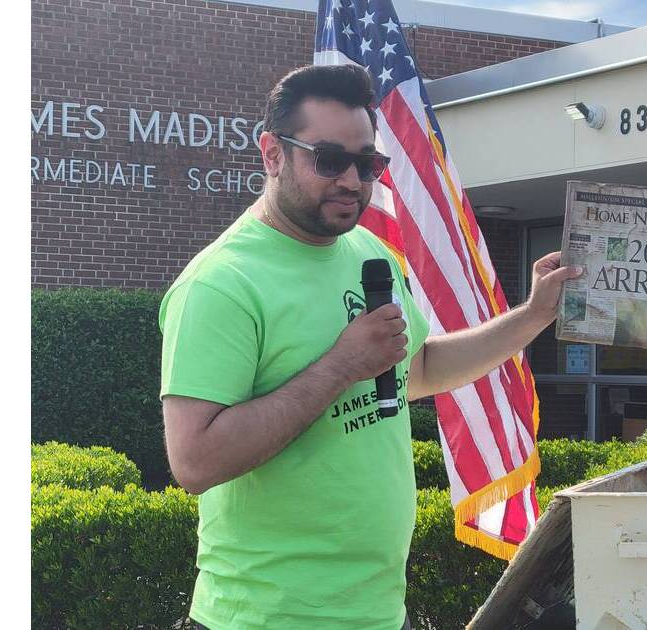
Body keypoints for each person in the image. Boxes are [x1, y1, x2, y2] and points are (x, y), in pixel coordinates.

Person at [159, 63, 581, 630]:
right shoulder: (221, 284)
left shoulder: (367, 253)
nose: (353, 182)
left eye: (368, 164)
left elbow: (420, 367)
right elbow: (195, 461)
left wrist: (532, 316)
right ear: (272, 154)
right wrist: (343, 365)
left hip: (380, 613)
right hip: (263, 619)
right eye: (329, 159)